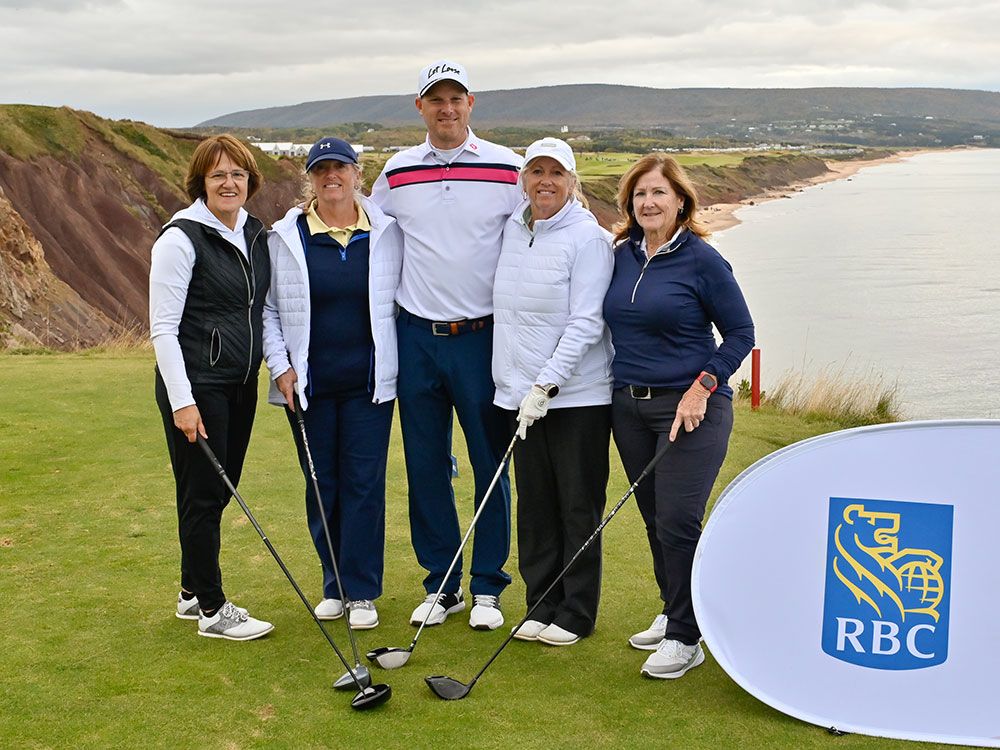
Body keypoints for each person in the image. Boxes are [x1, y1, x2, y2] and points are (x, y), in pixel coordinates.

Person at [371, 59, 523, 630]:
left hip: (481, 339)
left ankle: (488, 586)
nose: (447, 108)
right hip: (416, 339)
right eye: (436, 99)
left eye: (456, 98)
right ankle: (443, 584)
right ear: (420, 108)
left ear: (471, 103)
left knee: (491, 463)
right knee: (426, 466)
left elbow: (544, 232)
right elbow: (368, 232)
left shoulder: (507, 168)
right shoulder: (398, 171)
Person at [603, 153, 754, 678]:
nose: (648, 202)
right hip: (630, 406)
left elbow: (741, 335)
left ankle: (688, 638)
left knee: (678, 520)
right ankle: (674, 613)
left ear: (681, 201)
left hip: (692, 408)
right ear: (629, 203)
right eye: (640, 194)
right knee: (654, 520)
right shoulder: (621, 254)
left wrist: (703, 386)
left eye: (658, 193)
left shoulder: (702, 260)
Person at [262, 137, 402, 630]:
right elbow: (270, 311)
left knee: (364, 486)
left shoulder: (385, 232)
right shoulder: (287, 236)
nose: (331, 177)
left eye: (340, 168)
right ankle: (334, 584)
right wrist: (280, 367)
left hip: (370, 386)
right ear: (311, 178)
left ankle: (361, 590)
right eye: (322, 170)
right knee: (322, 486)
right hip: (309, 387)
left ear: (357, 174)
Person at [150, 134, 273, 641]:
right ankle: (212, 609)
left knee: (216, 489)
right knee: (203, 495)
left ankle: (189, 590)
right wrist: (183, 402)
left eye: (238, 174)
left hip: (239, 384)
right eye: (218, 174)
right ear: (201, 182)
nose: (229, 183)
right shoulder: (180, 238)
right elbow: (162, 327)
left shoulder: (255, 233)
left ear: (250, 181)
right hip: (197, 386)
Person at [492, 137, 614, 646]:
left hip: (577, 398)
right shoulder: (512, 230)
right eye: (536, 171)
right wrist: (520, 387)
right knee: (535, 503)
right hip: (520, 398)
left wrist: (547, 382)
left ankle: (576, 612)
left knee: (576, 505)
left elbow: (586, 324)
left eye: (555, 173)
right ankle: (540, 603)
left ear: (572, 182)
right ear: (523, 178)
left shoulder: (588, 238)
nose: (545, 181)